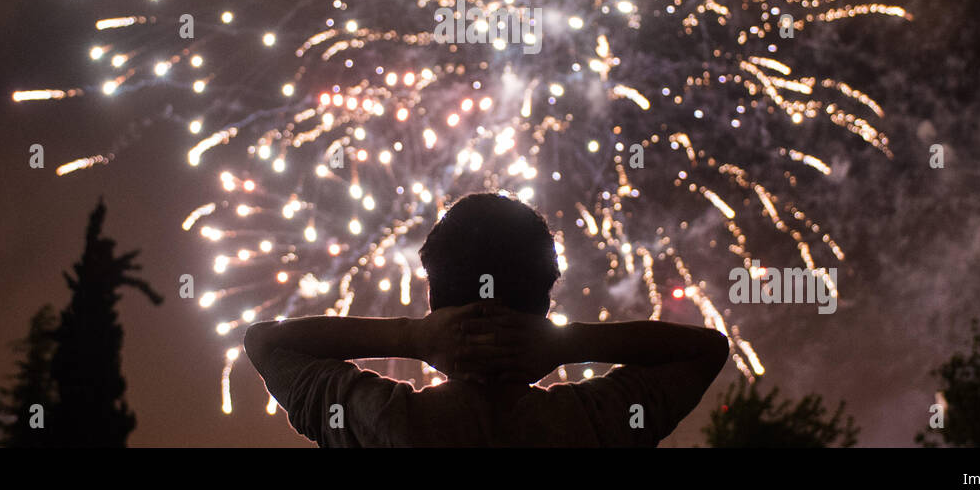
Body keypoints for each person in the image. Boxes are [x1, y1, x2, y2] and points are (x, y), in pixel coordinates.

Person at [244, 193, 730, 446]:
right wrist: (564, 343)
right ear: (545, 304)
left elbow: (266, 343)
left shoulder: (388, 424)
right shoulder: (594, 425)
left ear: (434, 298)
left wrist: (411, 336)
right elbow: (706, 349)